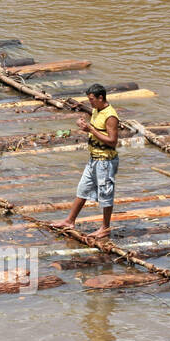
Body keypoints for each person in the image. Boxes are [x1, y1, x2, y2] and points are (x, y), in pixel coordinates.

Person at [51, 84, 121, 239]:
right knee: (82, 189)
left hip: (106, 161)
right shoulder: (97, 110)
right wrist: (83, 122)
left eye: (92, 100)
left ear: (100, 98)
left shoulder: (111, 117)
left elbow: (112, 141)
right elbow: (94, 122)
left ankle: (105, 228)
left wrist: (90, 130)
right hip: (93, 159)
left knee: (105, 194)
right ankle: (69, 221)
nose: (90, 103)